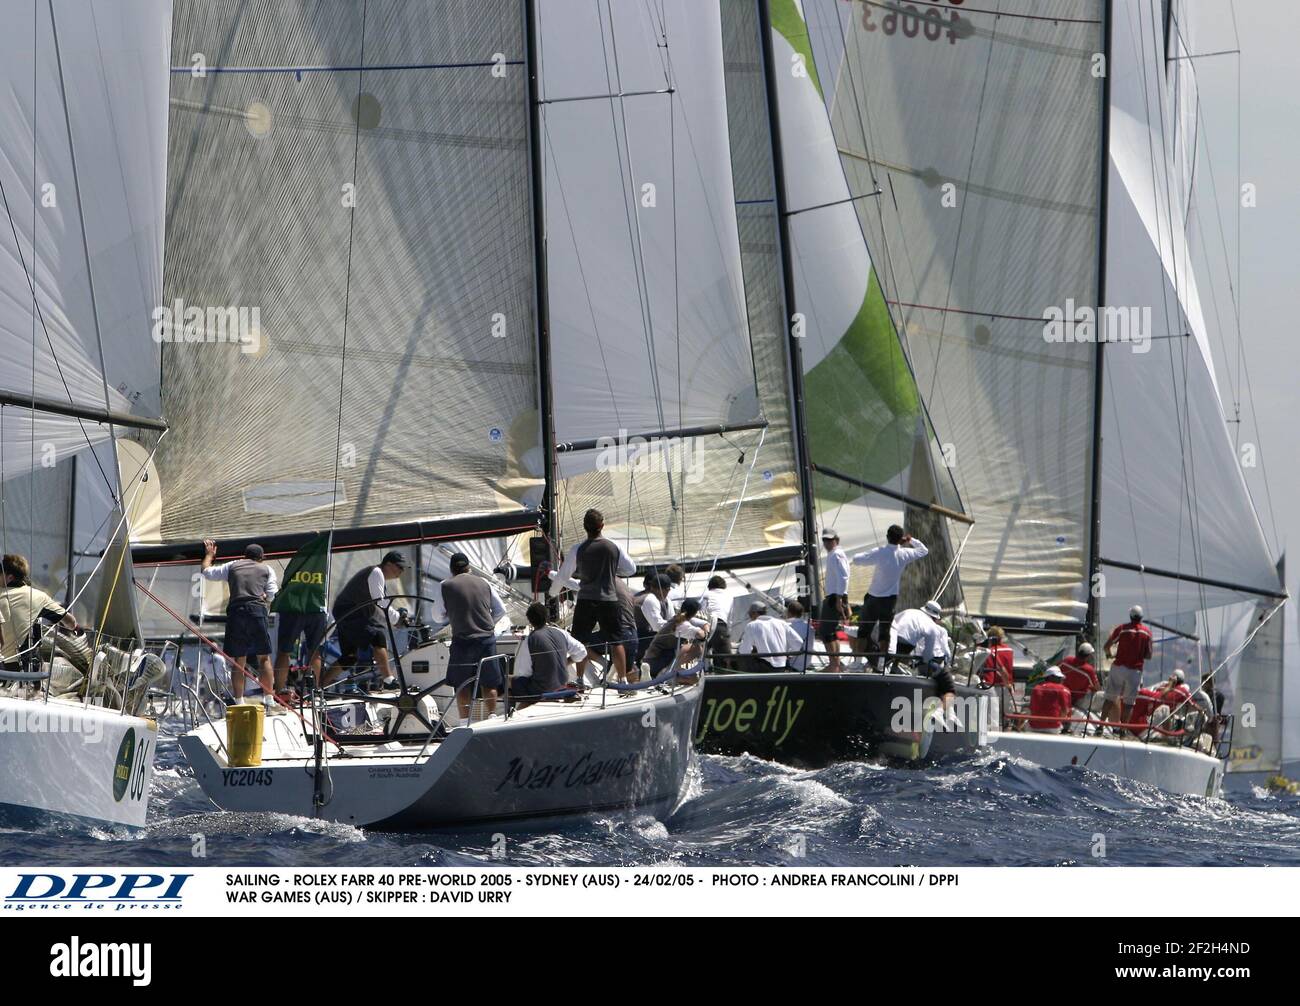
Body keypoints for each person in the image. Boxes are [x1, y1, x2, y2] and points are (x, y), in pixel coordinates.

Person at [548, 508, 637, 682]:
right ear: (602, 526)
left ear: (584, 527)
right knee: (616, 641)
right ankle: (622, 679)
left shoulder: (577, 549)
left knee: (581, 642)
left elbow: (564, 575)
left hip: (586, 599)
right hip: (608, 599)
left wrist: (553, 592)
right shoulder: (614, 546)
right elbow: (631, 569)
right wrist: (612, 568)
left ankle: (580, 678)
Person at [200, 540, 278, 704]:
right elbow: (272, 595)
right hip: (257, 612)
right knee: (263, 658)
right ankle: (269, 698)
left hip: (237, 612)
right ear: (261, 558)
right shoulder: (267, 569)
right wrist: (264, 597)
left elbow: (206, 572)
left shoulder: (233, 566)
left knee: (239, 660)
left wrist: (209, 555)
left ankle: (239, 701)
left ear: (244, 556)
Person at [433, 552, 508, 719]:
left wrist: (449, 615)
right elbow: (501, 610)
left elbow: (437, 616)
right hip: (486, 639)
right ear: (468, 568)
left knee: (462, 685)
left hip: (462, 641)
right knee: (489, 682)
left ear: (452, 570)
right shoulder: (484, 582)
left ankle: (464, 721)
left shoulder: (445, 585)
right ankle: (492, 716)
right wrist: (487, 625)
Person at [325, 551, 408, 689]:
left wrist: (395, 622)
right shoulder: (376, 573)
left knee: (349, 658)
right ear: (388, 564)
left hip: (347, 613)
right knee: (378, 637)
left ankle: (318, 687)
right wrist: (397, 619)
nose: (402, 570)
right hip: (350, 613)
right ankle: (388, 680)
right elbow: (380, 602)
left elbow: (377, 609)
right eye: (399, 566)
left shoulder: (377, 576)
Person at [852, 525, 928, 668]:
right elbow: (924, 551)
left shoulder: (880, 552)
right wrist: (911, 540)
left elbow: (856, 559)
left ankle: (857, 663)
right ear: (901, 540)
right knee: (885, 632)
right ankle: (882, 664)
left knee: (864, 630)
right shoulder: (904, 554)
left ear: (887, 537)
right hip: (890, 600)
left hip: (873, 598)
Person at [0, 553, 82, 673]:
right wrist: (77, 629)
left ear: (10, 577)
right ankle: (36, 688)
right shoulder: (38, 596)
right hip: (20, 670)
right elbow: (70, 622)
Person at [889, 600, 957, 720]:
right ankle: (941, 712)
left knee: (898, 654)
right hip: (920, 662)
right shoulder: (934, 627)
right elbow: (930, 656)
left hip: (889, 640)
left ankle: (890, 667)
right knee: (948, 687)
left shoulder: (909, 612)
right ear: (935, 618)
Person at [511, 602, 587, 700]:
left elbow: (522, 673)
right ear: (547, 617)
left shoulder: (529, 640)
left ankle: (516, 709)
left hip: (543, 689)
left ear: (530, 621)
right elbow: (582, 652)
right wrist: (566, 662)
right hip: (562, 684)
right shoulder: (561, 632)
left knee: (511, 680)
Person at [1102, 605, 1153, 731]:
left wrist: (1109, 655)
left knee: (1109, 698)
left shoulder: (1122, 629)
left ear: (1130, 616)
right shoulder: (1147, 633)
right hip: (1135, 671)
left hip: (1118, 667)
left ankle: (1100, 726)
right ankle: (1123, 731)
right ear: (1141, 617)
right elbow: (1149, 655)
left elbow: (1106, 646)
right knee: (1129, 704)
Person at [643, 598, 709, 678]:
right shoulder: (683, 625)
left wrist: (705, 628)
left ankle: (678, 673)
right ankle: (678, 676)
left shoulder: (676, 619)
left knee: (686, 647)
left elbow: (704, 623)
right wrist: (705, 635)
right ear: (694, 613)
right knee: (696, 648)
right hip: (657, 661)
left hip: (651, 659)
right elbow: (699, 634)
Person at [738, 601, 806, 672]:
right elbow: (799, 643)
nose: (750, 617)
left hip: (764, 668)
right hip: (781, 667)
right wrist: (788, 656)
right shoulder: (782, 623)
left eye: (750, 614)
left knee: (741, 656)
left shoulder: (752, 625)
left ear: (754, 613)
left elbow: (744, 651)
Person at [818, 529, 851, 671]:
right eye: (824, 540)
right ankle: (836, 663)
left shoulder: (837, 554)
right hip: (834, 596)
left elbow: (844, 577)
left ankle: (834, 664)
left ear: (836, 540)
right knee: (830, 630)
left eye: (829, 540)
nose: (826, 543)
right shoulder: (833, 554)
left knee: (825, 630)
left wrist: (839, 599)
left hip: (835, 596)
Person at [632, 573, 672, 670]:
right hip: (639, 639)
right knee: (672, 649)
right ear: (665, 590)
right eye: (668, 590)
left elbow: (671, 618)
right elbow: (657, 626)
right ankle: (656, 673)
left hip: (638, 637)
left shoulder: (663, 600)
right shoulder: (650, 599)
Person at [1027, 666, 1074, 731]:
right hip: (1053, 727)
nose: (1061, 679)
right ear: (1050, 677)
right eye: (1059, 677)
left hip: (1034, 726)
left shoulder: (1036, 688)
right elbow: (1065, 711)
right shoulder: (1063, 689)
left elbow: (1032, 708)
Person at [1059, 641, 1099, 710]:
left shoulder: (1066, 660)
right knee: (1103, 696)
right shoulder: (1089, 669)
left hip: (1064, 695)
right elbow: (1097, 688)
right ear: (1088, 656)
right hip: (1079, 700)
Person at [699, 575, 732, 656]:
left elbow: (702, 613)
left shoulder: (706, 594)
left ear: (710, 586)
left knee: (702, 655)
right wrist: (728, 633)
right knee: (725, 658)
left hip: (708, 626)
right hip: (722, 627)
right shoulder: (729, 596)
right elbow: (730, 618)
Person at [785, 599, 813, 672]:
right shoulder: (810, 627)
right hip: (805, 664)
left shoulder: (787, 626)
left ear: (789, 613)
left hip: (791, 666)